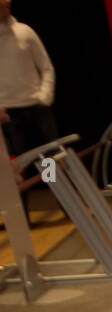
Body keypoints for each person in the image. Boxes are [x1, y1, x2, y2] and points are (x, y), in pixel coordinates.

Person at [0, 0, 56, 223]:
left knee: (50, 160)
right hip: (7, 115)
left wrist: (44, 97)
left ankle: (66, 206)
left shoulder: (25, 32)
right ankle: (20, 219)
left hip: (37, 110)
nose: (6, 3)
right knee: (15, 169)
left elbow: (46, 67)